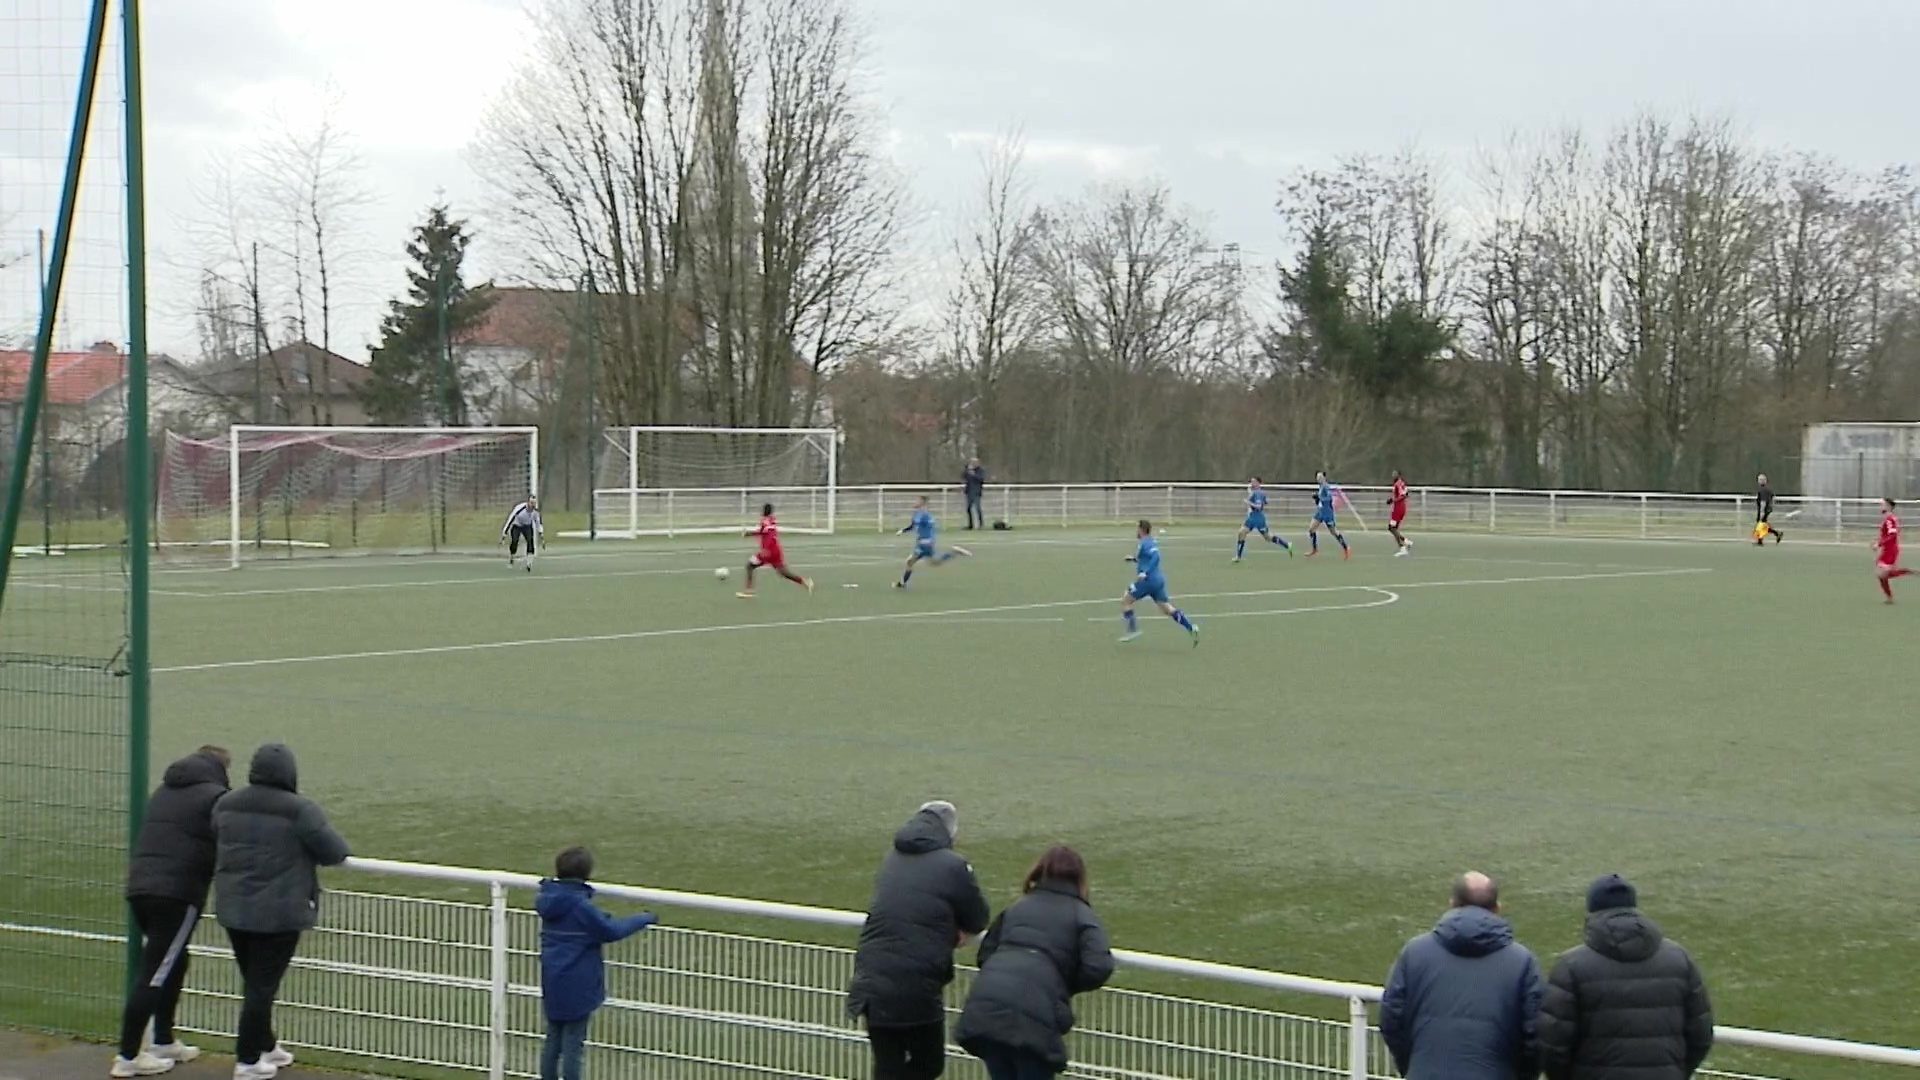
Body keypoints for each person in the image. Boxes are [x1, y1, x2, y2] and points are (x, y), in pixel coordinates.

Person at [213, 743, 351, 1080]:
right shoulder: (300, 810)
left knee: (255, 983)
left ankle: (267, 1046)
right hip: (278, 914)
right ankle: (247, 1061)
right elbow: (335, 852)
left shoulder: (226, 803)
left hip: (233, 908)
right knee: (261, 988)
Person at [847, 801, 992, 1080]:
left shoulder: (891, 858)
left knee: (888, 1067)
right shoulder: (954, 865)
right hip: (917, 984)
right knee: (929, 1063)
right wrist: (951, 931)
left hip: (871, 979)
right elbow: (977, 918)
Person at [112, 746, 232, 1078]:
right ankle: (128, 1056)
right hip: (177, 894)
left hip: (141, 887)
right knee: (156, 972)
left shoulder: (163, 791)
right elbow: (228, 842)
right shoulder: (216, 797)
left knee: (174, 960)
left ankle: (163, 1039)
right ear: (221, 769)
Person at [953, 846, 1115, 1080]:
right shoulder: (1082, 914)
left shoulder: (1017, 908)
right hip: (1033, 1020)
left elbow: (986, 953)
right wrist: (1061, 983)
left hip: (986, 1009)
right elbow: (1099, 966)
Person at [1538, 874, 1713, 1080]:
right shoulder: (1679, 958)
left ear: (1592, 910)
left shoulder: (1571, 965)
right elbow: (1700, 1034)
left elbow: (1554, 1044)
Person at [1379, 872, 1544, 1080]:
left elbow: (1392, 1020)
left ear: (1452, 904)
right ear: (1497, 909)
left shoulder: (1414, 952)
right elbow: (1535, 1036)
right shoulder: (1522, 961)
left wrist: (1414, 1065)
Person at [536, 847, 659, 1080]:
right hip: (579, 986)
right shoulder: (581, 906)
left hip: (552, 980)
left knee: (553, 1039)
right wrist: (644, 918)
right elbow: (610, 930)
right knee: (573, 1045)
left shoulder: (549, 899)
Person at [1121, 519, 1198, 646]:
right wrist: (1134, 559)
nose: (1136, 531)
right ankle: (1190, 627)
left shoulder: (1146, 543)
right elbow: (1146, 558)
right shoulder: (1148, 541)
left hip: (1148, 581)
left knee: (1126, 600)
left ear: (1141, 529)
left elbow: (1156, 557)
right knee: (1167, 609)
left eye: (1137, 528)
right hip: (1158, 580)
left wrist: (1145, 572)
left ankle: (1132, 630)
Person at [737, 502, 813, 598]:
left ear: (764, 511)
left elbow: (769, 535)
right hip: (776, 551)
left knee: (749, 566)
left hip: (769, 552)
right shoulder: (771, 520)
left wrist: (766, 549)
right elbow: (763, 532)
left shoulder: (765, 521)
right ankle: (805, 582)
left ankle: (748, 591)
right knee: (784, 573)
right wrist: (750, 534)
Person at [895, 496, 973, 588]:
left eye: (917, 501)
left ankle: (903, 583)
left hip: (925, 543)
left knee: (911, 562)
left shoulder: (924, 515)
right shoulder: (918, 514)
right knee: (933, 562)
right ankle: (954, 552)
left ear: (922, 503)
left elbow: (925, 526)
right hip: (923, 542)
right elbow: (913, 526)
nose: (914, 502)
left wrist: (927, 538)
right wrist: (903, 531)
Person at [1233, 477, 1292, 561]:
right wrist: (1250, 494)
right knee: (1241, 532)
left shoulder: (1258, 493)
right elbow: (1264, 502)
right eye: (1251, 482)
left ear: (1258, 483)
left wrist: (1248, 502)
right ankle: (1238, 557)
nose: (1251, 483)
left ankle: (1287, 545)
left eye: (1253, 482)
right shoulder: (1257, 492)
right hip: (1252, 517)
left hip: (1258, 518)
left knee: (1268, 537)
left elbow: (1259, 506)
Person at [1307, 470, 1351, 559]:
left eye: (1320, 477)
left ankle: (1346, 548)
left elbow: (1328, 498)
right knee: (1311, 529)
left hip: (1327, 513)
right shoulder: (1320, 486)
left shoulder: (1326, 487)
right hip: (1320, 512)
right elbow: (1320, 501)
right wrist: (1316, 499)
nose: (1318, 479)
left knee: (1334, 532)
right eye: (1317, 477)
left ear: (1324, 478)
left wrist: (1319, 497)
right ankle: (1314, 549)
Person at [1874, 497, 1911, 604]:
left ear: (1888, 506)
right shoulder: (1888, 519)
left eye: (1882, 504)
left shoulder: (1890, 519)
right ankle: (1889, 598)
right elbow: (1887, 534)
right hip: (1887, 549)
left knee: (1882, 574)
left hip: (1890, 550)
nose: (1880, 506)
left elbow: (1892, 535)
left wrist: (1879, 544)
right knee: (1881, 574)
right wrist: (1879, 542)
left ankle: (1906, 572)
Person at [503, 493, 543, 571]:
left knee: (530, 541)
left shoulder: (535, 511)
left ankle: (529, 562)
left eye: (534, 503)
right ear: (528, 502)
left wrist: (541, 533)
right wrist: (505, 532)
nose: (532, 505)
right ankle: (512, 557)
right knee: (514, 541)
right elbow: (510, 519)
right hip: (517, 525)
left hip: (527, 526)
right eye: (531, 503)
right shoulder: (519, 508)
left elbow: (538, 522)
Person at [1752, 474, 1783, 545]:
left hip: (1764, 510)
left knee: (1760, 524)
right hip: (1768, 510)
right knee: (1762, 525)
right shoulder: (1768, 489)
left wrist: (1762, 512)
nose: (1759, 481)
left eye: (1760, 480)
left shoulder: (1762, 490)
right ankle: (1776, 534)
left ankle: (1761, 541)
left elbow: (1763, 502)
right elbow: (1773, 498)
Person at [1387, 470, 1412, 556]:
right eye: (1392, 474)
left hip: (1398, 509)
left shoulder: (1398, 484)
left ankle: (1403, 547)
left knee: (1392, 528)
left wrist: (1392, 500)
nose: (1393, 475)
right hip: (1402, 508)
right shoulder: (1402, 483)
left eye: (1395, 474)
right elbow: (1406, 493)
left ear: (1399, 475)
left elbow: (1403, 496)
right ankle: (1406, 542)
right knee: (1394, 528)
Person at [963, 458, 987, 530]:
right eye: (972, 462)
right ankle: (970, 525)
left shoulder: (980, 471)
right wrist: (967, 470)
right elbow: (963, 476)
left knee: (978, 508)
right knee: (968, 509)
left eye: (974, 462)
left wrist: (973, 474)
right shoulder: (969, 471)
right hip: (969, 492)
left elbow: (981, 479)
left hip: (976, 492)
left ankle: (981, 524)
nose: (973, 464)